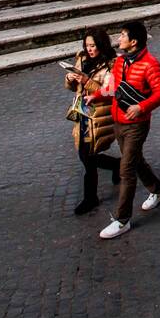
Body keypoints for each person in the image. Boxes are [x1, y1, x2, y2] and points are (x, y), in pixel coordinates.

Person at [97, 20, 160, 240]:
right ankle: (158, 190)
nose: (118, 39)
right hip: (119, 120)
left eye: (122, 35)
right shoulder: (120, 63)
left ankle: (121, 220)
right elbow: (115, 88)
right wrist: (97, 95)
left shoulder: (150, 64)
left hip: (137, 124)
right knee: (136, 161)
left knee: (126, 169)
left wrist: (141, 107)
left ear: (134, 42)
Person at [64, 27, 120, 214]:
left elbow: (110, 91)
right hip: (82, 114)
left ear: (101, 45)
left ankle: (91, 198)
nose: (89, 49)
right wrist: (71, 78)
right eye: (87, 45)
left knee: (88, 158)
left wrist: (87, 80)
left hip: (98, 115)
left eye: (93, 46)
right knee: (85, 154)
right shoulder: (82, 58)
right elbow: (73, 87)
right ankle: (117, 165)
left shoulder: (112, 64)